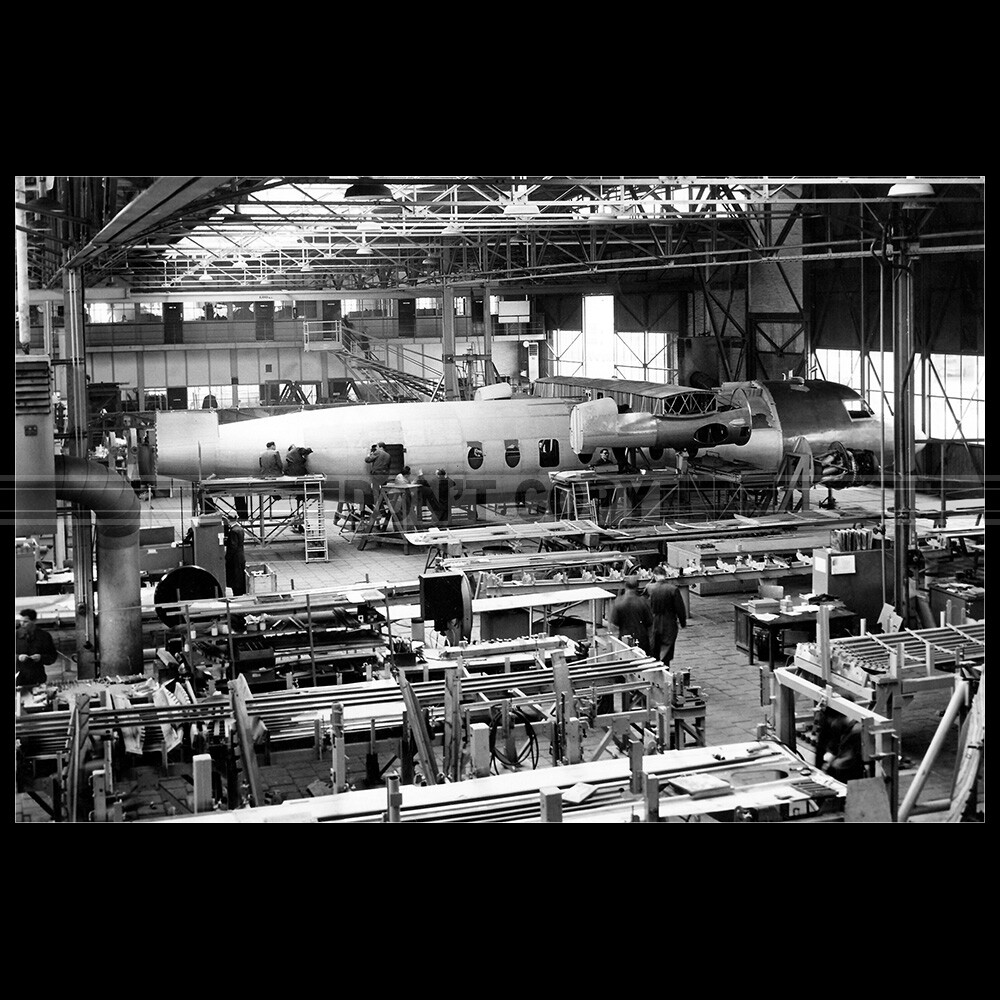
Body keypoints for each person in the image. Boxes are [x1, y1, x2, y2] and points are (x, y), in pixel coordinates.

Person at [645, 564, 688, 665]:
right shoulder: (673, 589)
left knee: (654, 648)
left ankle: (655, 669)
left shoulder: (649, 588)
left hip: (654, 622)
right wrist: (683, 622)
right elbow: (680, 608)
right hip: (669, 623)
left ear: (654, 576)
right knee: (667, 650)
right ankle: (665, 669)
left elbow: (644, 601)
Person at [606, 576, 652, 654]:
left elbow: (613, 625)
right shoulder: (643, 602)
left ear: (625, 586)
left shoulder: (618, 602)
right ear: (637, 587)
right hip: (642, 639)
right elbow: (650, 623)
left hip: (624, 640)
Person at [16, 609, 58, 688]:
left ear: (34, 621)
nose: (22, 624)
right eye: (21, 621)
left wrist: (41, 658)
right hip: (18, 678)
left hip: (37, 677)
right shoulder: (16, 635)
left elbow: (52, 656)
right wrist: (18, 657)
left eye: (25, 622)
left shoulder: (44, 636)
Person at [225, 521, 247, 597]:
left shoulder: (233, 531)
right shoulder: (240, 529)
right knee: (240, 575)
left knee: (235, 577)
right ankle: (241, 592)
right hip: (241, 555)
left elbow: (233, 546)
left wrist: (227, 557)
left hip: (235, 558)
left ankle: (237, 593)